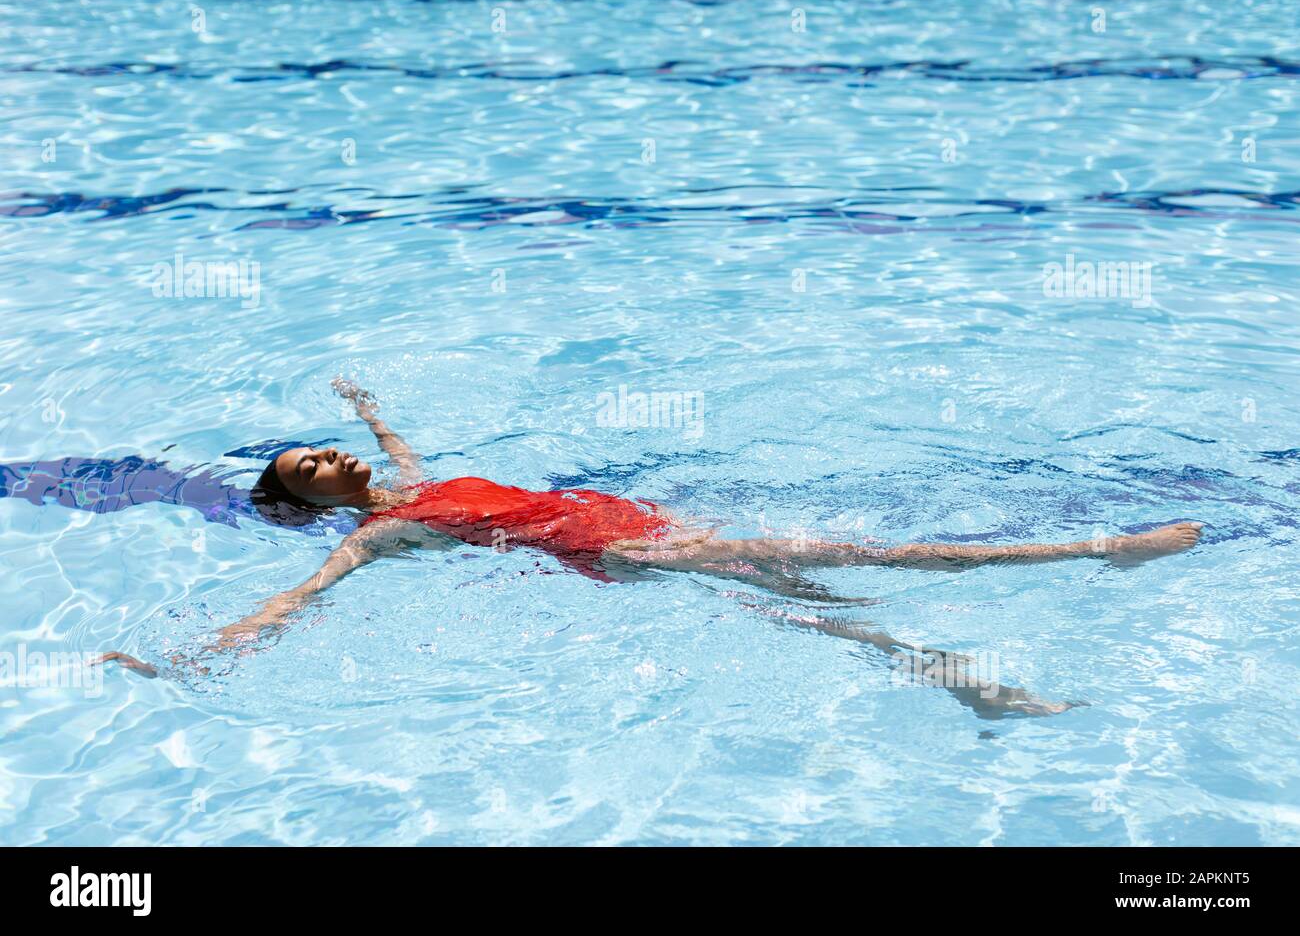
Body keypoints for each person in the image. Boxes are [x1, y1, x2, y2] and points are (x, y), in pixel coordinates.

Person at [97, 378, 1203, 718]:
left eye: (320, 449)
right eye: (306, 469)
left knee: (819, 611)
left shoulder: (411, 481)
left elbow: (397, 447)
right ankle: (1098, 550)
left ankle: (976, 694)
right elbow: (302, 598)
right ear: (311, 499)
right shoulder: (386, 530)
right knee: (884, 555)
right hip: (638, 555)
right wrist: (212, 647)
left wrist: (371, 405)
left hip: (638, 529)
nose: (327, 458)